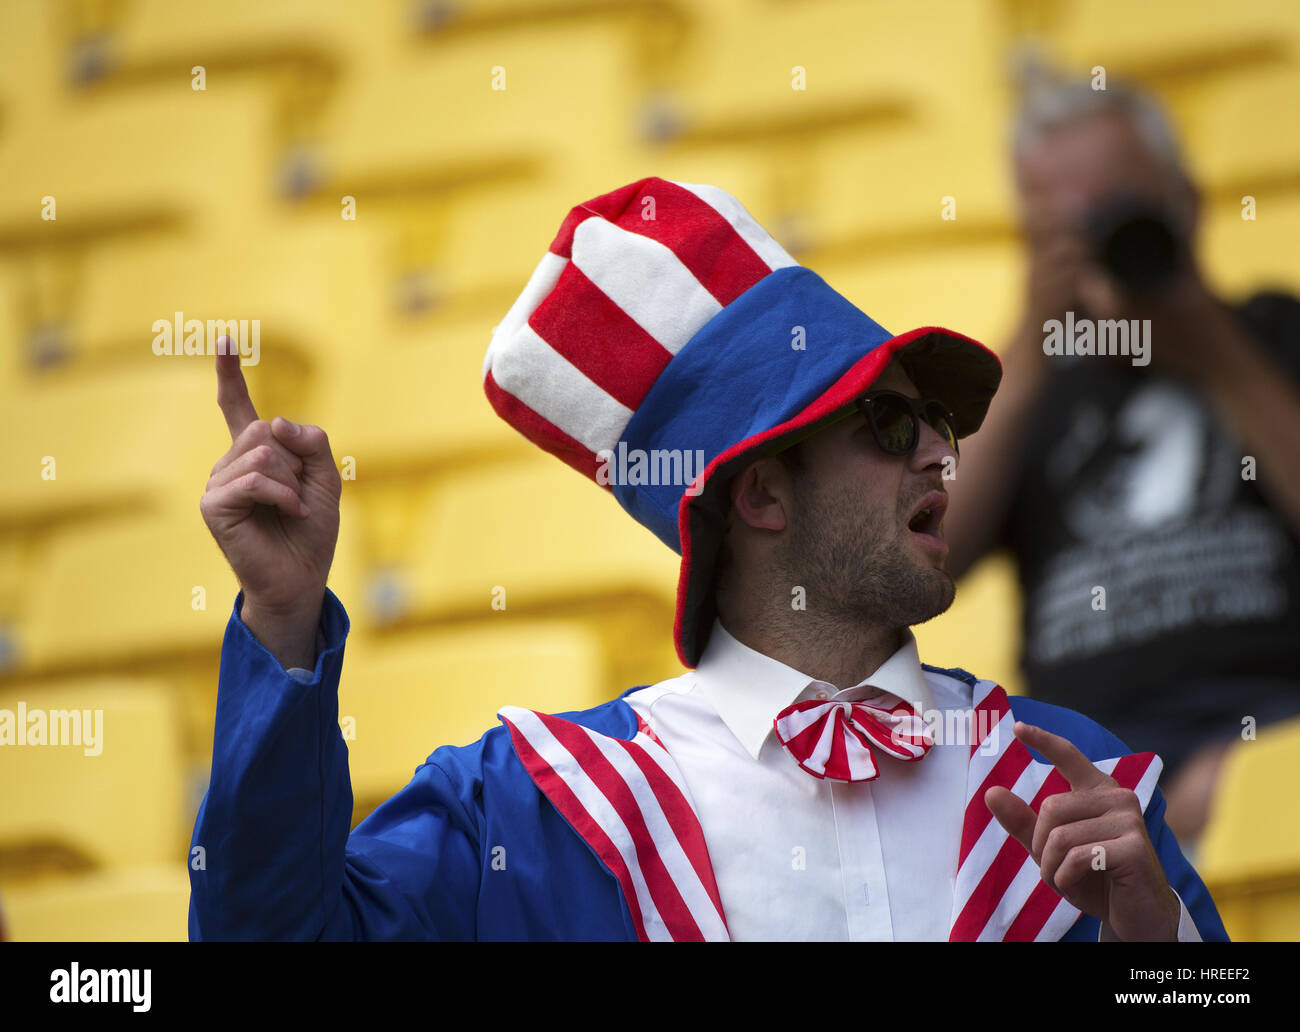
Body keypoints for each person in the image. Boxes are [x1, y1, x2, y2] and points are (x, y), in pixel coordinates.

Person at [191, 177, 1226, 941]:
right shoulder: (528, 806)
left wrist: (1162, 950)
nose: (939, 452)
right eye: (885, 422)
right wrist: (282, 621)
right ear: (762, 493)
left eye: (936, 422)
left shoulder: (1073, 774)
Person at [943, 76, 1300, 847]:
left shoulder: (1273, 333)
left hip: (1274, 727)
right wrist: (1036, 344)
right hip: (1087, 760)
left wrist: (1211, 347)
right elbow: (932, 557)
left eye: (1122, 211)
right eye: (1066, 226)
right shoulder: (1028, 394)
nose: (1102, 241)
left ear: (1188, 202)